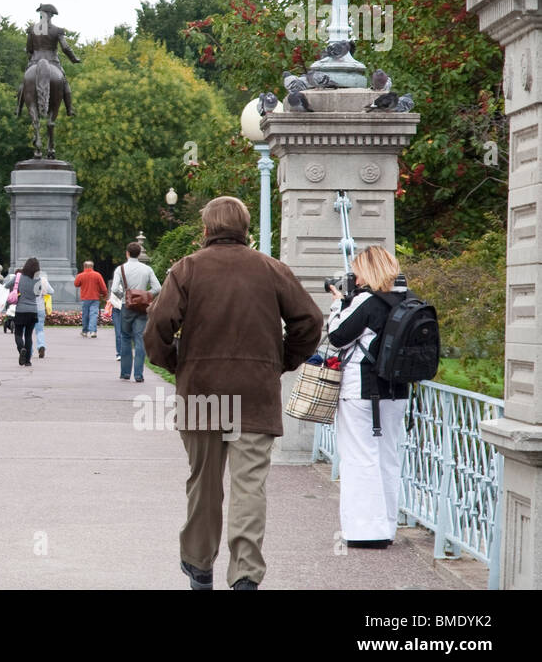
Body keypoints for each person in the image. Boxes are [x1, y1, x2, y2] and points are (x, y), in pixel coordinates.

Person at [144, 196, 322, 590]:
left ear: (206, 230)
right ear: (245, 230)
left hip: (202, 394)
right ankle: (244, 575)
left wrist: (178, 365)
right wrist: (281, 361)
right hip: (255, 394)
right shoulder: (271, 269)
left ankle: (199, 565)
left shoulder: (186, 269)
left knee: (203, 484)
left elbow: (157, 329)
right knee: (249, 486)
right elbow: (310, 321)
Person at [327, 246, 409, 549]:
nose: (355, 276)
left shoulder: (366, 303)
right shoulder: (408, 301)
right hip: (397, 392)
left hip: (362, 392)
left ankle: (365, 531)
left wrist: (338, 305)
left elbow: (337, 337)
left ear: (369, 271)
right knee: (387, 457)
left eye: (358, 270)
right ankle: (386, 526)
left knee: (359, 458)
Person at [111, 242, 162, 382]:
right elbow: (158, 288)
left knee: (126, 338)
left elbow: (114, 289)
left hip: (126, 307)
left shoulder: (120, 269)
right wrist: (145, 295)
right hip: (142, 308)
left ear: (127, 253)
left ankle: (125, 373)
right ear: (139, 254)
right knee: (140, 339)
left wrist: (125, 297)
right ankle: (139, 374)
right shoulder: (147, 269)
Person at [5, 258, 42, 366]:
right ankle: (28, 361)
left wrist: (17, 291)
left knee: (18, 334)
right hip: (33, 311)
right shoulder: (37, 279)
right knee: (28, 336)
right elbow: (37, 294)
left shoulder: (18, 277)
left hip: (21, 310)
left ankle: (21, 349)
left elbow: (6, 286)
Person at [73, 260, 107, 337]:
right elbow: (103, 287)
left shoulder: (80, 275)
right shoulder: (97, 275)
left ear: (84, 266)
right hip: (95, 298)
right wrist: (105, 295)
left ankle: (85, 331)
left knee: (85, 315)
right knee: (93, 314)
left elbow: (76, 284)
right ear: (92, 266)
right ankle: (93, 332)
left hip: (85, 298)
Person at [32, 270, 54, 359]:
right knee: (40, 330)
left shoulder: (26, 280)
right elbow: (51, 291)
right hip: (40, 308)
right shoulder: (43, 280)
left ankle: (29, 350)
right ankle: (41, 345)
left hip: (29, 308)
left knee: (27, 331)